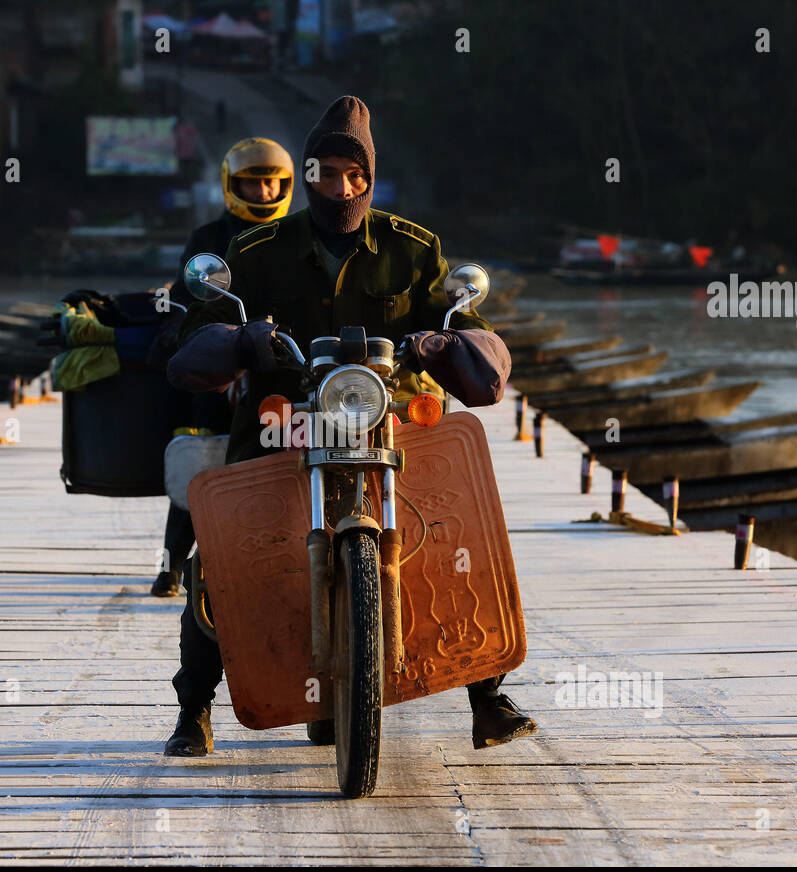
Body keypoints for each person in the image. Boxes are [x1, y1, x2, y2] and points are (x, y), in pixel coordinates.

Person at [162, 95, 538, 756]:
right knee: (219, 558)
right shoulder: (257, 251)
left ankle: (487, 695)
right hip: (283, 423)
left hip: (389, 418)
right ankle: (193, 707)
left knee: (460, 537)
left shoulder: (412, 249)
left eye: (355, 174)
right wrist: (245, 337)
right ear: (307, 175)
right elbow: (193, 342)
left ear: (370, 176)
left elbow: (466, 326)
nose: (342, 187)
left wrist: (446, 345)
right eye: (328, 172)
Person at [151, 138, 296, 597]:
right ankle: (172, 565)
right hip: (224, 363)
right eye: (252, 184)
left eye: (271, 182)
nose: (263, 191)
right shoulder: (208, 239)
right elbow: (189, 300)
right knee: (204, 456)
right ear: (233, 186)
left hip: (282, 360)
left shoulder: (298, 232)